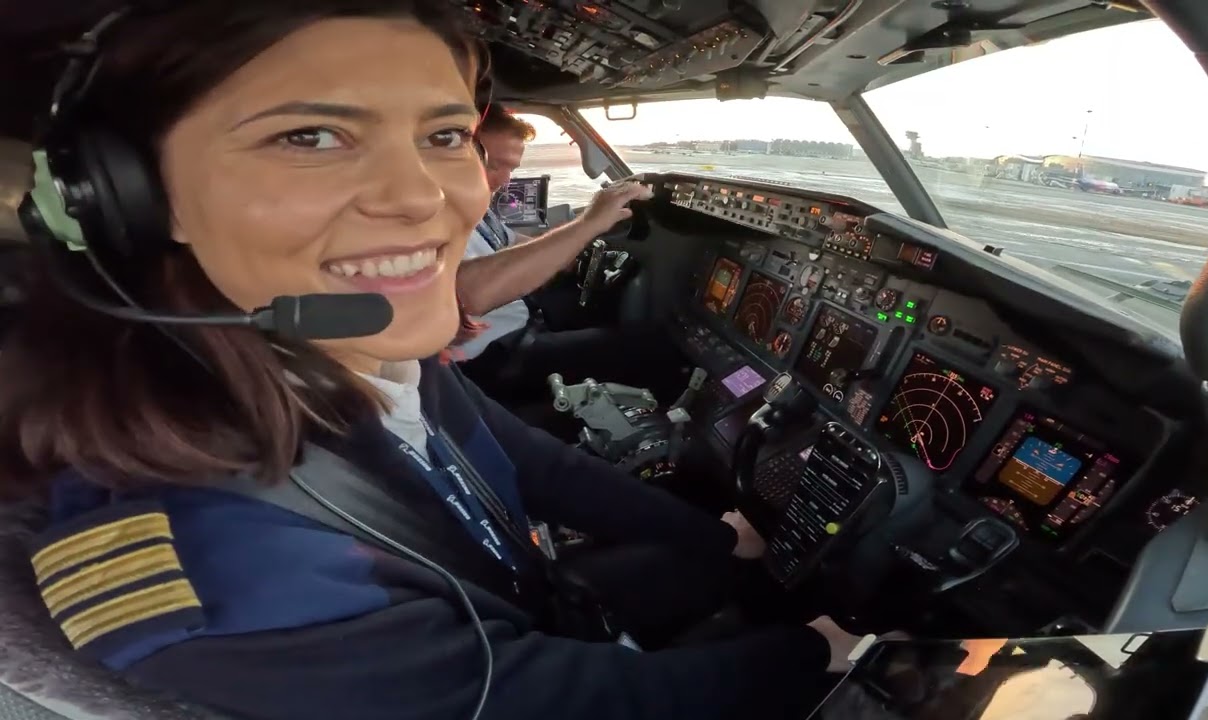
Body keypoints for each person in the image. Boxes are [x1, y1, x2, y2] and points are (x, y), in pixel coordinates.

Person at [0, 2, 866, 719]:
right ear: (135, 200)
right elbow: (556, 703)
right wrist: (814, 655)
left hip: (512, 592)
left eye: (444, 134)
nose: (423, 197)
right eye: (309, 137)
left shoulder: (341, 351)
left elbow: (540, 464)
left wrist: (719, 542)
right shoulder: (206, 576)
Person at [452, 104, 680, 409]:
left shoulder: (476, 211)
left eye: (512, 168)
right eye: (494, 165)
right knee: (653, 347)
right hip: (492, 355)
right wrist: (588, 225)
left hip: (519, 321)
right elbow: (467, 295)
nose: (505, 181)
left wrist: (569, 248)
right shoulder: (437, 217)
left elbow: (512, 243)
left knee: (602, 311)